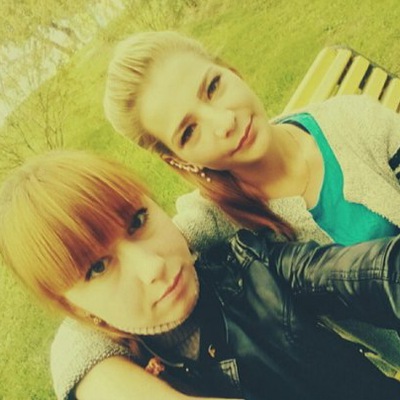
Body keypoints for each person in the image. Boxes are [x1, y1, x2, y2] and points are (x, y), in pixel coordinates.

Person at [101, 29, 400, 377]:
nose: (225, 122)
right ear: (180, 161)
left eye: (213, 87)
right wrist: (98, 381)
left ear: (231, 70)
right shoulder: (214, 222)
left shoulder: (354, 119)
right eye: (189, 131)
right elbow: (86, 325)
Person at [1, 150, 400, 400]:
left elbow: (376, 275)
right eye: (98, 268)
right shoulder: (113, 379)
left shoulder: (251, 265)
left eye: (138, 220)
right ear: (75, 308)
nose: (153, 267)